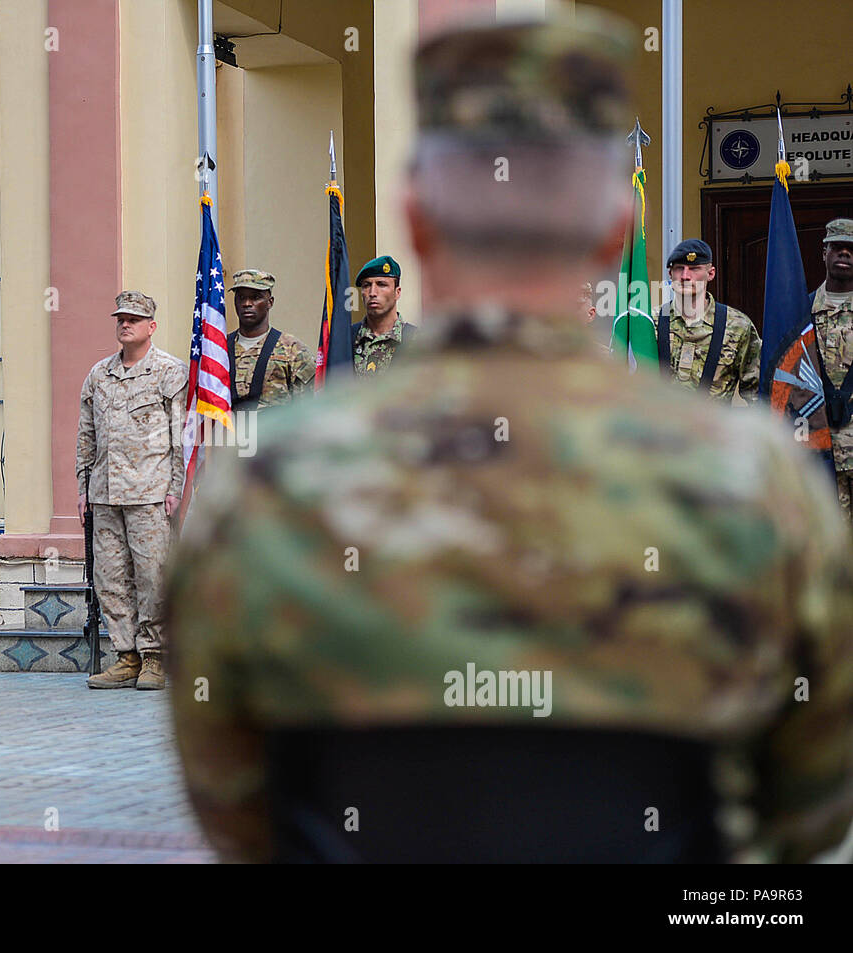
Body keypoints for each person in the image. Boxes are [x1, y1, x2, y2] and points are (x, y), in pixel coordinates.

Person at [166, 10, 853, 863]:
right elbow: (811, 810)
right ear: (615, 230)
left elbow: (238, 809)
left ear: (415, 222)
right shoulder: (760, 488)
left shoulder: (262, 489)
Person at [76, 290, 187, 691]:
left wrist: (176, 488)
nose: (125, 324)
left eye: (134, 320)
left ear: (151, 327)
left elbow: (181, 438)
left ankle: (155, 657)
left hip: (150, 493)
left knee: (152, 577)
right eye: (121, 318)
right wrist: (82, 486)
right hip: (105, 493)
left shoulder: (170, 372)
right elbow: (86, 434)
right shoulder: (98, 374)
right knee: (110, 578)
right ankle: (125, 656)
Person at [657, 239, 761, 403]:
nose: (685, 276)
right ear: (670, 274)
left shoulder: (737, 325)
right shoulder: (651, 322)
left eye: (694, 269)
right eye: (679, 269)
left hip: (713, 427)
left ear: (710, 273)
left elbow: (756, 395)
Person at [809, 218, 853, 521]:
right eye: (837, 247)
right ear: (823, 252)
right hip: (820, 453)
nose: (844, 254)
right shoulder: (801, 310)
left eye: (851, 249)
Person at [226, 269, 315, 412]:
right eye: (241, 297)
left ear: (270, 302)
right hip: (228, 432)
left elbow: (307, 411)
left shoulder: (293, 350)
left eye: (255, 297)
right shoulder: (219, 348)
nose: (247, 303)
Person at [351, 255, 414, 375]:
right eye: (366, 285)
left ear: (397, 292)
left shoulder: (416, 341)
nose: (372, 293)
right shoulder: (347, 339)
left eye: (381, 284)